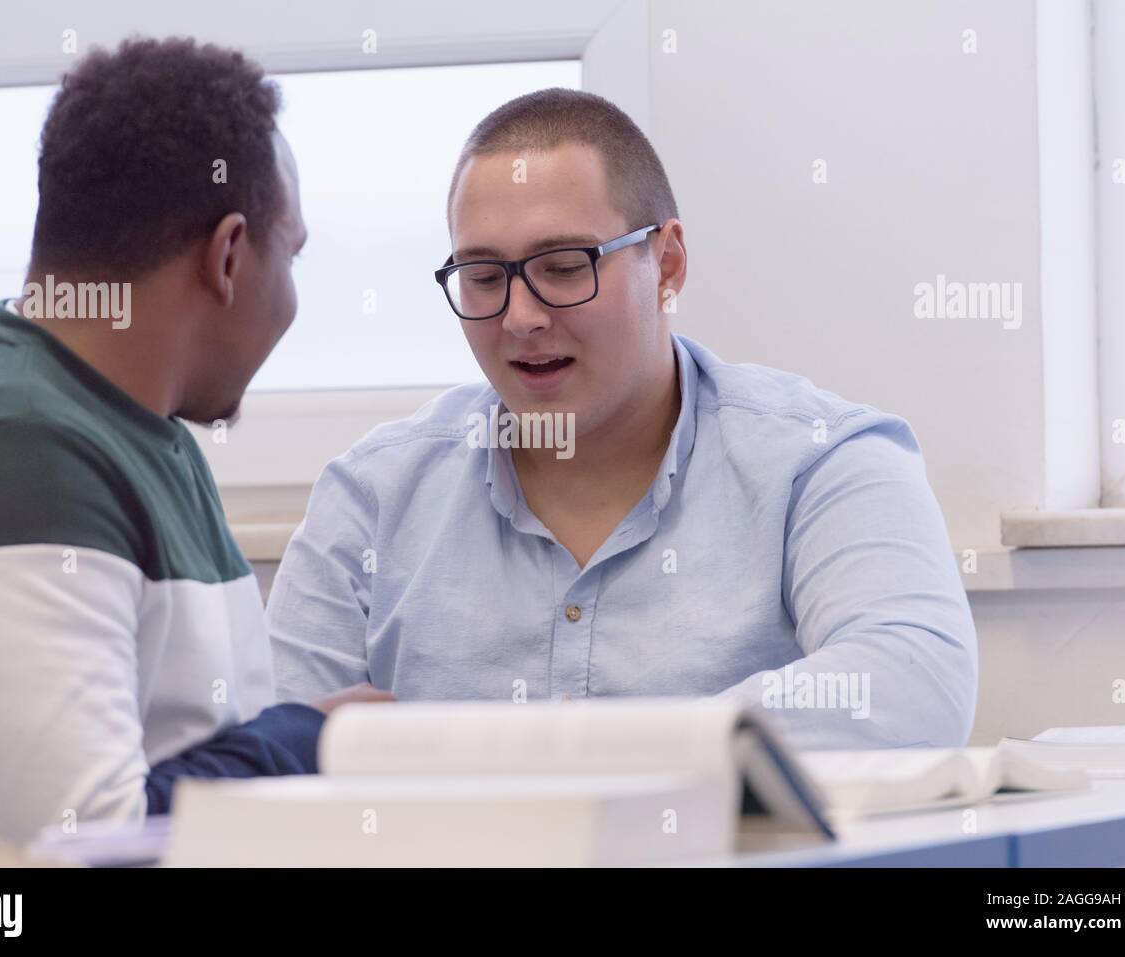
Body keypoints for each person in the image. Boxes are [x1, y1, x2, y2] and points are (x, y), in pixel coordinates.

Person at [267, 88, 976, 749]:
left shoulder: (820, 460)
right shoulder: (372, 495)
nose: (521, 318)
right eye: (483, 277)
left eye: (565, 267)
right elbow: (265, 760)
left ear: (666, 264)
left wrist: (598, 752)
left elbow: (915, 681)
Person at [0, 37, 386, 847]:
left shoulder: (137, 437)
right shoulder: (9, 449)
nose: (291, 301)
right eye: (291, 256)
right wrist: (312, 740)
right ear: (227, 255)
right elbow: (79, 841)